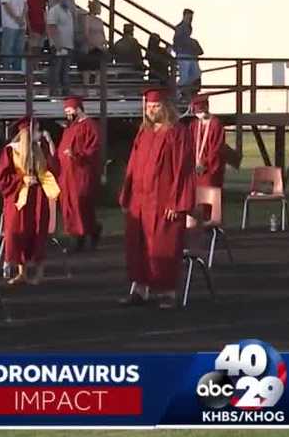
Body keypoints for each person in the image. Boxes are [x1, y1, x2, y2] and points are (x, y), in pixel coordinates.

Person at [119, 87, 195, 309]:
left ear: (166, 107)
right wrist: (127, 195)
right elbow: (132, 166)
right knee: (138, 246)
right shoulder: (144, 132)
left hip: (163, 202)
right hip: (140, 202)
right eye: (149, 107)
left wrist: (176, 202)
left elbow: (183, 170)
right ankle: (140, 289)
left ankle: (168, 292)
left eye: (156, 106)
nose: (151, 110)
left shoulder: (177, 132)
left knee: (163, 247)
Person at [0, 117, 59, 285]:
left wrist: (50, 147)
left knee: (38, 232)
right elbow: (3, 178)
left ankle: (39, 273)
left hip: (38, 197)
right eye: (36, 129)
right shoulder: (11, 151)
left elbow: (53, 169)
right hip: (19, 198)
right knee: (18, 232)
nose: (38, 133)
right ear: (26, 133)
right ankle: (21, 272)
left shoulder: (41, 148)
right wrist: (22, 180)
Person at [57, 96, 102, 251]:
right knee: (69, 206)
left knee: (80, 205)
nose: (68, 114)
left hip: (81, 173)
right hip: (67, 174)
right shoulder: (70, 128)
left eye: (69, 111)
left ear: (78, 109)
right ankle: (79, 235)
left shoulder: (90, 126)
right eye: (66, 112)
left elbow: (93, 150)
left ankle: (84, 235)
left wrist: (76, 154)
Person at [45, 0, 77, 96]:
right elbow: (51, 26)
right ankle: (54, 91)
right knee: (57, 69)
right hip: (58, 45)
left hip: (68, 44)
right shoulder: (54, 11)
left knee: (65, 70)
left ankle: (65, 90)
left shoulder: (67, 12)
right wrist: (57, 43)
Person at [189, 94, 226, 188]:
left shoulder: (215, 125)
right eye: (197, 113)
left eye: (201, 112)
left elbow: (217, 149)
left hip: (210, 168)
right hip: (195, 167)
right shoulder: (194, 125)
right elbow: (190, 145)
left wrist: (204, 164)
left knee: (209, 188)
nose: (200, 115)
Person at [0, 0, 27, 72]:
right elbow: (6, 5)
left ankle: (17, 71)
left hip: (21, 25)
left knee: (19, 49)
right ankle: (6, 72)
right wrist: (16, 18)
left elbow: (25, 5)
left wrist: (22, 18)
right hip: (9, 24)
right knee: (8, 49)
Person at [173, 8, 201, 89]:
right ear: (185, 16)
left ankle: (181, 90)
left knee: (195, 74)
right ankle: (178, 92)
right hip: (183, 54)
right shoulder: (180, 27)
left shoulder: (187, 27)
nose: (190, 19)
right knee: (186, 76)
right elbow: (177, 41)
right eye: (189, 17)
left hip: (188, 54)